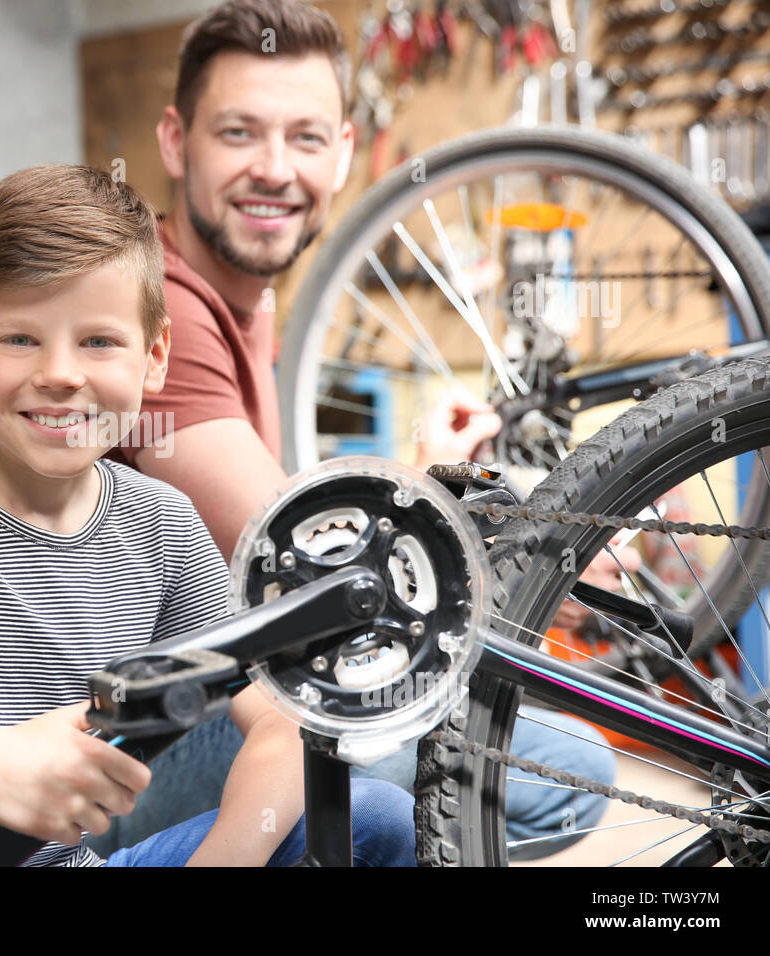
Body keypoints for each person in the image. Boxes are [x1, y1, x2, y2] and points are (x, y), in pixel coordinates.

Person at [0, 163, 416, 867]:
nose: (61, 373)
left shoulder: (160, 524)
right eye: (20, 339)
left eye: (98, 341)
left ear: (155, 355)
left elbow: (279, 720)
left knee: (373, 817)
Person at [87, 0, 614, 862]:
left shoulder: (252, 312)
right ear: (177, 142)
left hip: (229, 712)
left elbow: (302, 541)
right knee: (554, 778)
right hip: (136, 757)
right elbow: (316, 574)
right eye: (238, 133)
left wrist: (415, 475)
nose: (272, 169)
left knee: (545, 767)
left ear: (340, 155)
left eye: (304, 138)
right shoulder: (163, 306)